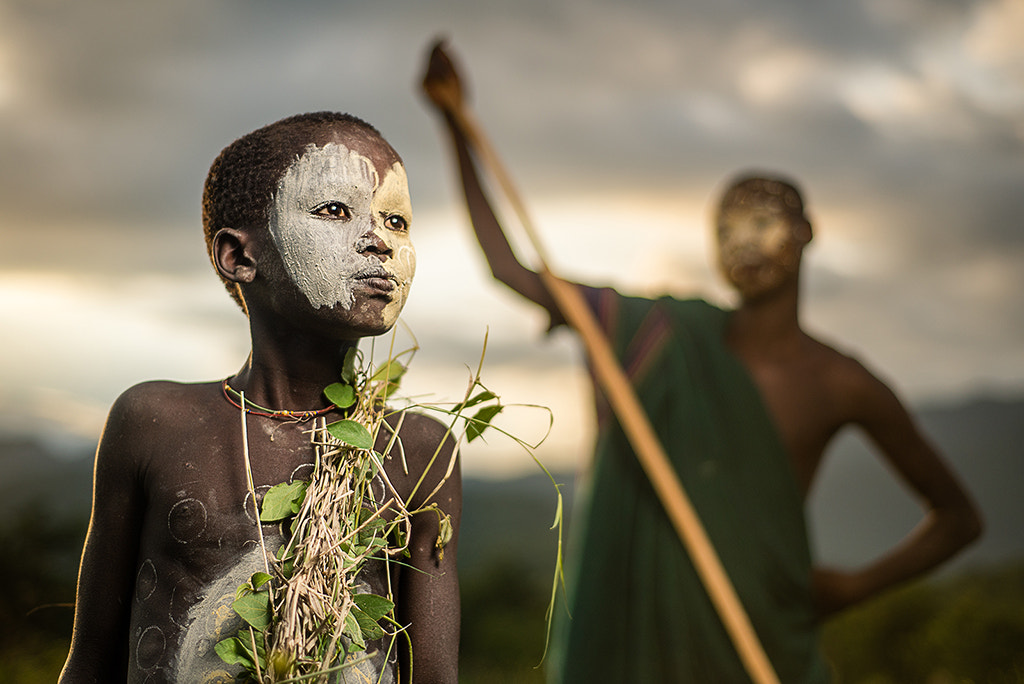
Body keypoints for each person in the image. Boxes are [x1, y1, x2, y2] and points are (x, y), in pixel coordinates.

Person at [421, 43, 981, 683]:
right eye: (728, 228)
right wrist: (456, 125)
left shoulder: (841, 383)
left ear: (807, 232)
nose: (745, 240)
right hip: (636, 636)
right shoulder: (655, 334)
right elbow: (510, 268)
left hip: (765, 636)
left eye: (765, 219)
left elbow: (959, 519)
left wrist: (854, 587)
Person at [59, 112, 460, 684]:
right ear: (239, 257)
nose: (380, 242)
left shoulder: (419, 451)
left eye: (396, 221)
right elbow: (90, 663)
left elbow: (435, 676)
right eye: (335, 210)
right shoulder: (156, 423)